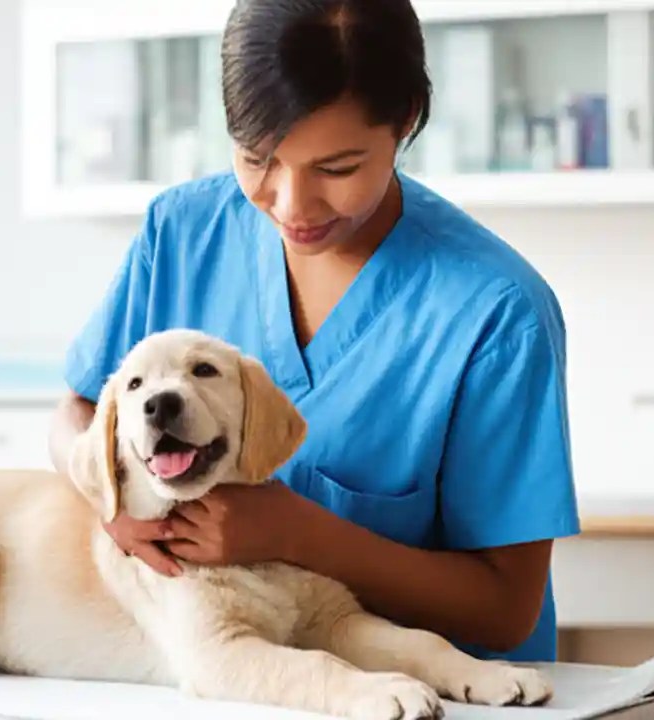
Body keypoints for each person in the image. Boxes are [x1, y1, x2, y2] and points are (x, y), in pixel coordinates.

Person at [48, 0, 581, 664]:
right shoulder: (181, 233)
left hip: (439, 694)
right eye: (257, 159)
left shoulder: (494, 313)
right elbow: (76, 411)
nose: (292, 206)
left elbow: (505, 611)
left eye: (337, 169)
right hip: (234, 686)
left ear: (406, 121)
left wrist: (296, 535)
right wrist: (113, 507)